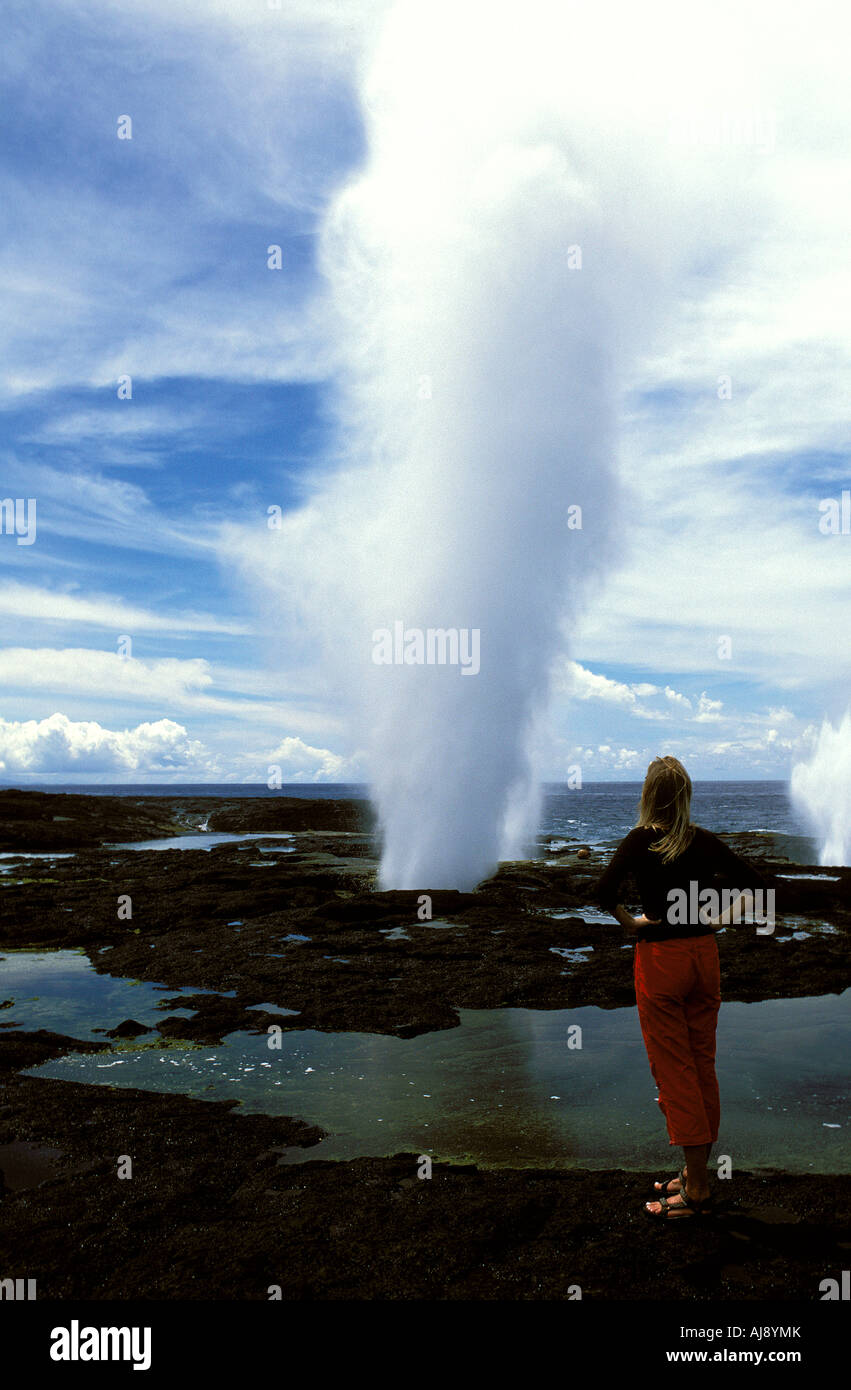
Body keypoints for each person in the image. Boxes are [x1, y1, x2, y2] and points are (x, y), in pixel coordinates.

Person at [593, 755, 769, 1220]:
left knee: (674, 1071)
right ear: (686, 795)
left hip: (662, 963)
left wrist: (633, 924)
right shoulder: (703, 841)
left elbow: (602, 892)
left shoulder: (638, 841)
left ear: (649, 795)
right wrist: (716, 920)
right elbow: (756, 886)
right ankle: (695, 1174)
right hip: (703, 958)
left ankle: (697, 1189)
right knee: (700, 1064)